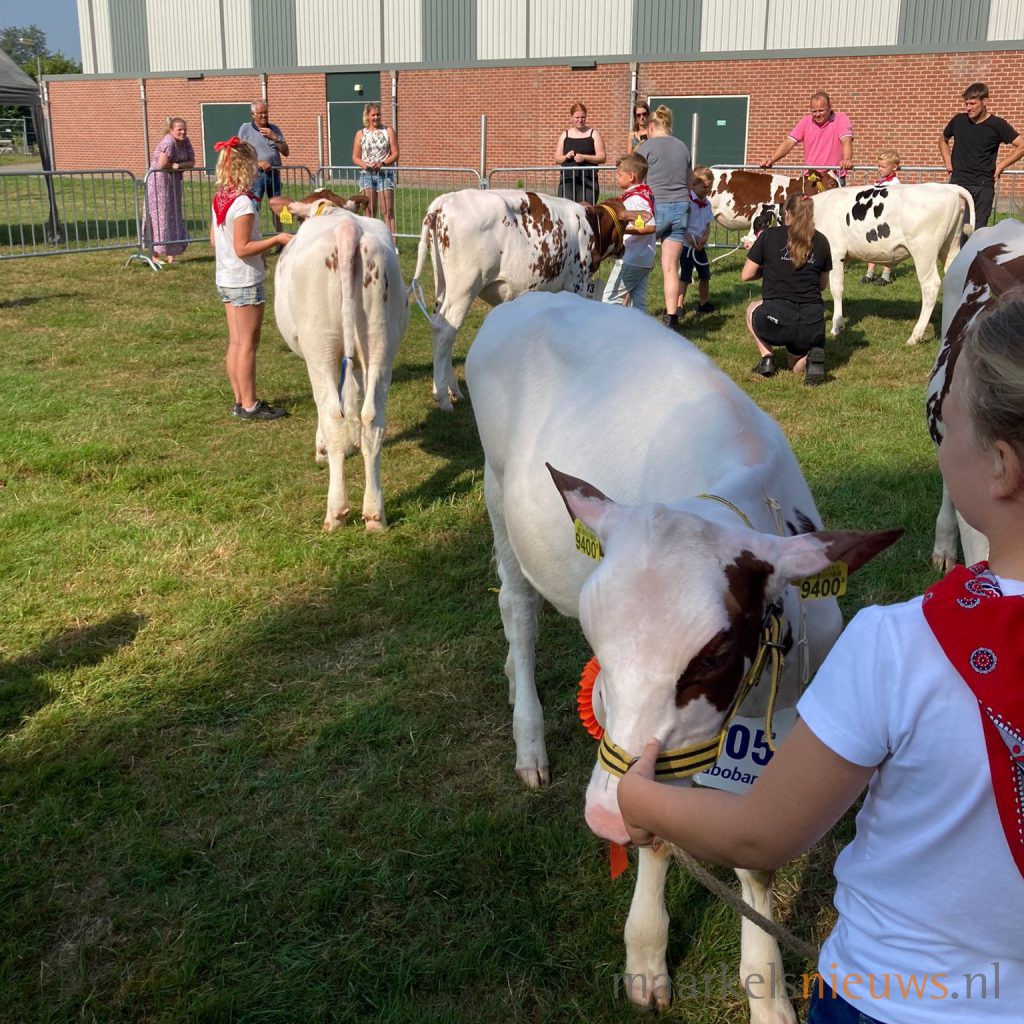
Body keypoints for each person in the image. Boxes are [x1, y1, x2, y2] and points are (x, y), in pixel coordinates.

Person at [618, 293, 1024, 1024]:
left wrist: (642, 800)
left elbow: (762, 832)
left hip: (895, 998)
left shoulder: (900, 648)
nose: (939, 431)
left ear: (1000, 466)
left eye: (949, 413)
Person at [208, 137, 292, 421]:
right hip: (244, 279)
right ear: (246, 167)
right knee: (247, 345)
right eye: (254, 164)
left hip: (227, 276)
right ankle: (249, 405)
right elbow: (242, 247)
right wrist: (277, 239)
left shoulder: (221, 198)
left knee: (236, 342)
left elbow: (214, 241)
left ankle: (239, 400)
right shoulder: (243, 202)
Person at [742, 193, 831, 386]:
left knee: (752, 308)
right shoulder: (822, 241)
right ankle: (808, 360)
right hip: (812, 321)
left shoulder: (769, 235)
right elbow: (822, 285)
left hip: (776, 318)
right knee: (794, 364)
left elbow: (746, 275)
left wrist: (768, 270)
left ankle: (767, 358)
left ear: (787, 213)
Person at [636, 105, 691, 331]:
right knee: (670, 266)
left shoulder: (645, 147)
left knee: (636, 258)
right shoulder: (682, 146)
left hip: (656, 207)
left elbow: (637, 181)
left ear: (650, 126)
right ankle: (672, 317)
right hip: (681, 207)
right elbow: (689, 182)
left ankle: (629, 308)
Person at [939, 82, 1024, 229]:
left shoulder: (997, 125)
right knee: (954, 229)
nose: (968, 108)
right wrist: (947, 160)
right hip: (958, 183)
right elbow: (942, 140)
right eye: (966, 104)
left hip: (983, 185)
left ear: (985, 102)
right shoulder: (959, 120)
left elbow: (1021, 145)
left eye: (972, 103)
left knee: (977, 231)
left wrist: (1000, 166)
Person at [601, 152, 656, 313]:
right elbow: (640, 223)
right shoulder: (642, 194)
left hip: (631, 258)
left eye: (619, 174)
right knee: (637, 304)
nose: (616, 177)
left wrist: (621, 229)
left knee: (610, 299)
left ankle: (613, 335)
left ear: (631, 176)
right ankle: (640, 334)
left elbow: (649, 226)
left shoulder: (636, 199)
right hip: (643, 258)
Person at [761, 91, 854, 181]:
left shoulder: (840, 119)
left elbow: (846, 141)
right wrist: (772, 159)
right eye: (814, 111)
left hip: (832, 178)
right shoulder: (805, 121)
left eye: (821, 110)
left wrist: (847, 159)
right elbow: (789, 142)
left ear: (829, 108)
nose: (817, 114)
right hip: (811, 178)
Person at [145, 116, 195, 265]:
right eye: (179, 129)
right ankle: (155, 255)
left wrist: (178, 166)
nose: (183, 132)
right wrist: (175, 165)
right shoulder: (168, 141)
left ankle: (171, 256)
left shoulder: (186, 142)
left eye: (184, 129)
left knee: (173, 217)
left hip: (173, 183)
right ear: (171, 130)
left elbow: (192, 162)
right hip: (159, 183)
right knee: (159, 217)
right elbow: (162, 164)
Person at [352, 102, 399, 243]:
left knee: (387, 211)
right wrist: (365, 165)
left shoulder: (388, 130)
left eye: (378, 114)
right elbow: (355, 156)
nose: (376, 117)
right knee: (370, 211)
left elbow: (396, 153)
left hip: (385, 174)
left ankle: (392, 244)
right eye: (373, 115)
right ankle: (371, 242)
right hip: (367, 175)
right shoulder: (360, 134)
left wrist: (383, 163)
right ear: (367, 116)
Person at [238, 101, 289, 229]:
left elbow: (286, 152)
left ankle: (281, 239)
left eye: (265, 112)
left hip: (274, 174)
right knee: (253, 207)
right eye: (260, 113)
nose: (264, 116)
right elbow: (239, 153)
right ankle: (253, 238)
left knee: (278, 207)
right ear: (253, 115)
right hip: (256, 176)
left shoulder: (274, 129)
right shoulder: (245, 129)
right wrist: (257, 162)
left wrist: (275, 137)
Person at [678, 165, 715, 316]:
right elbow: (681, 225)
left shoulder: (707, 203)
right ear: (693, 184)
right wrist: (689, 238)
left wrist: (705, 238)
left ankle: (704, 302)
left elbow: (707, 225)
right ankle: (679, 305)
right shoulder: (686, 202)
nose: (708, 190)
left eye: (710, 187)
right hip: (687, 246)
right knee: (685, 277)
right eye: (705, 187)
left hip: (700, 246)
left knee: (705, 275)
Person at [862, 149, 902, 286]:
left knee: (887, 247)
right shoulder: (879, 182)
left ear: (894, 167)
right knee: (871, 245)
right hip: (875, 218)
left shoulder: (895, 184)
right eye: (879, 166)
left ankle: (886, 275)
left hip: (888, 220)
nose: (879, 169)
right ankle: (870, 273)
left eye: (883, 167)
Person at [554, 102, 606, 205]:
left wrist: (584, 157)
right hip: (568, 179)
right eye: (577, 117)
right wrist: (565, 157)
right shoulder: (565, 135)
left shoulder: (593, 134)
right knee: (566, 209)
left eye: (583, 117)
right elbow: (557, 158)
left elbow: (602, 157)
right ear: (571, 118)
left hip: (588, 180)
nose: (580, 120)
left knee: (586, 210)